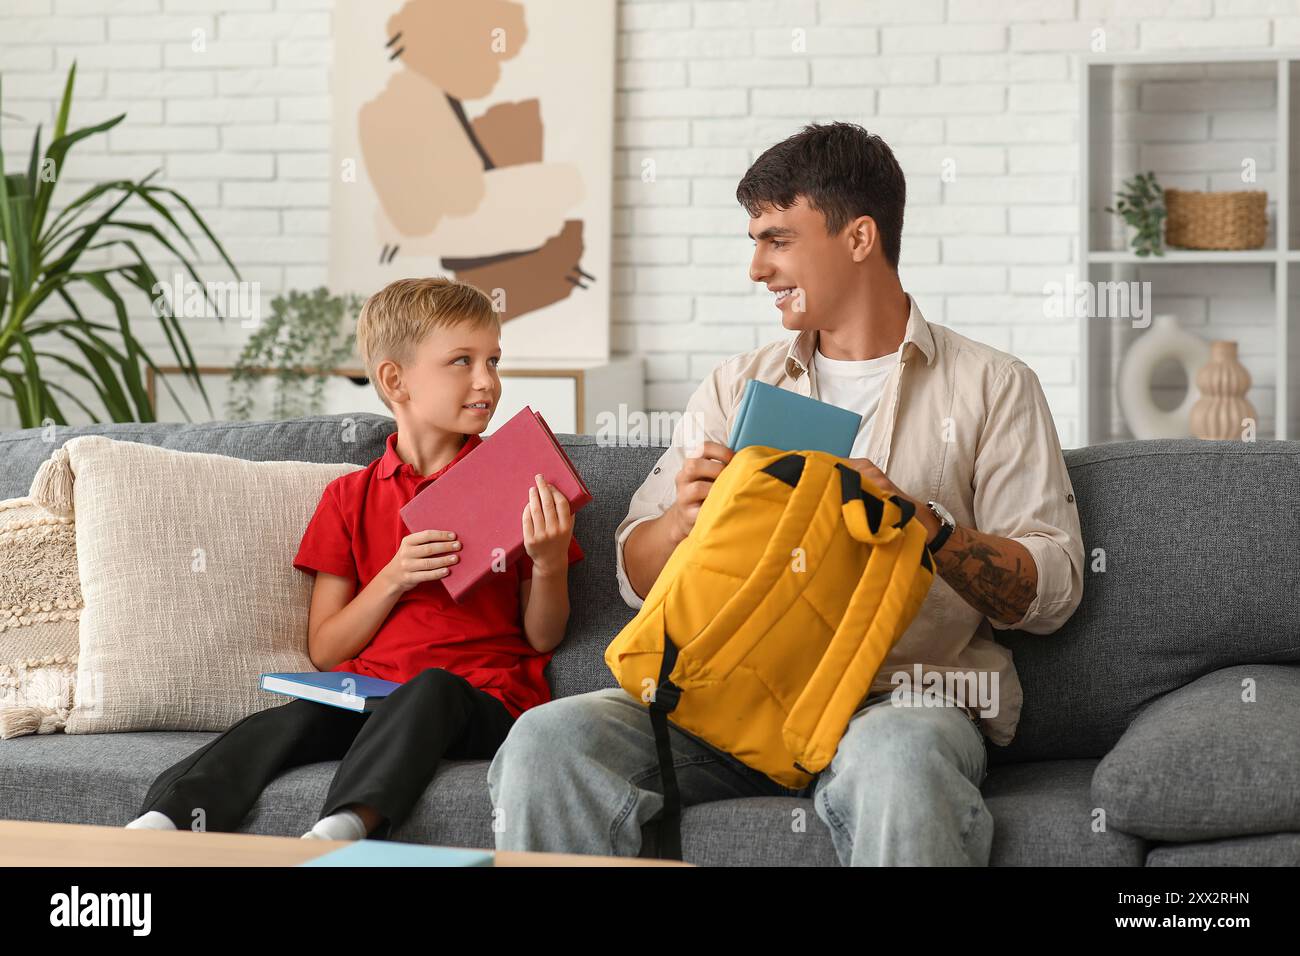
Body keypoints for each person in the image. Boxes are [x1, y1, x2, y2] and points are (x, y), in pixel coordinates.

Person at [488, 122, 1084, 865]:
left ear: (859, 237)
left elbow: (1052, 588)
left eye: (777, 239)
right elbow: (634, 579)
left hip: (896, 700)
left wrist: (923, 523)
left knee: (899, 762)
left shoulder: (992, 386)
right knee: (549, 739)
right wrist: (682, 522)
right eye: (754, 242)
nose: (756, 269)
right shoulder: (737, 385)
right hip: (723, 695)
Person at [126, 277, 582, 841]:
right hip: (369, 696)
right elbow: (327, 649)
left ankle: (344, 827)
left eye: (493, 361)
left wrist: (548, 560)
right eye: (462, 362)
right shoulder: (349, 498)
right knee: (293, 718)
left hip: (481, 702)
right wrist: (393, 576)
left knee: (432, 688)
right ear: (396, 380)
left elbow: (542, 637)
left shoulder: (518, 483)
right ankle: (164, 821)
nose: (487, 381)